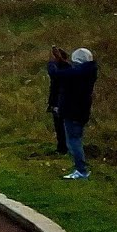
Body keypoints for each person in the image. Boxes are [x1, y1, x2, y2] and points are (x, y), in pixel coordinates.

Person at [47, 47, 98, 179]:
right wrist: (62, 62)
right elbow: (68, 72)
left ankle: (81, 170)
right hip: (81, 111)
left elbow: (57, 74)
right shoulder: (87, 72)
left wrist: (52, 63)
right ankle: (80, 168)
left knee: (73, 141)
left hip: (73, 112)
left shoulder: (78, 74)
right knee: (76, 139)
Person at [47, 47, 71, 155]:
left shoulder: (61, 70)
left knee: (61, 126)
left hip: (60, 101)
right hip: (62, 100)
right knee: (62, 126)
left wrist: (54, 62)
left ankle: (63, 148)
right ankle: (64, 147)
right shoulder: (69, 68)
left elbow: (53, 73)